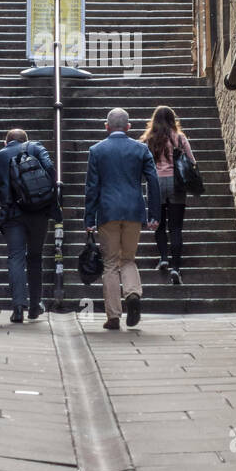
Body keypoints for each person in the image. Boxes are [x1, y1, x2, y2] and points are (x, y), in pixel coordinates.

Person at [84, 107, 160, 330]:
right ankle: (133, 294)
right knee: (128, 258)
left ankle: (113, 316)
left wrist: (89, 218)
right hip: (134, 212)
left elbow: (92, 188)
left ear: (106, 127)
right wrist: (153, 214)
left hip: (107, 212)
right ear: (128, 127)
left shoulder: (97, 151)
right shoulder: (140, 149)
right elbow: (153, 181)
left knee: (109, 263)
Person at [0, 128, 57, 324]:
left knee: (15, 257)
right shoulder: (35, 147)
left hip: (12, 215)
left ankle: (18, 307)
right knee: (35, 257)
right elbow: (51, 170)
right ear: (26, 140)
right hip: (38, 212)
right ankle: (35, 306)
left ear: (6, 142)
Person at [140, 105, 195, 285]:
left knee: (159, 224)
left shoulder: (148, 140)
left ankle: (164, 257)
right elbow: (192, 161)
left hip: (155, 183)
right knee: (176, 227)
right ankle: (176, 268)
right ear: (173, 120)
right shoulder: (179, 138)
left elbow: (140, 162)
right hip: (176, 184)